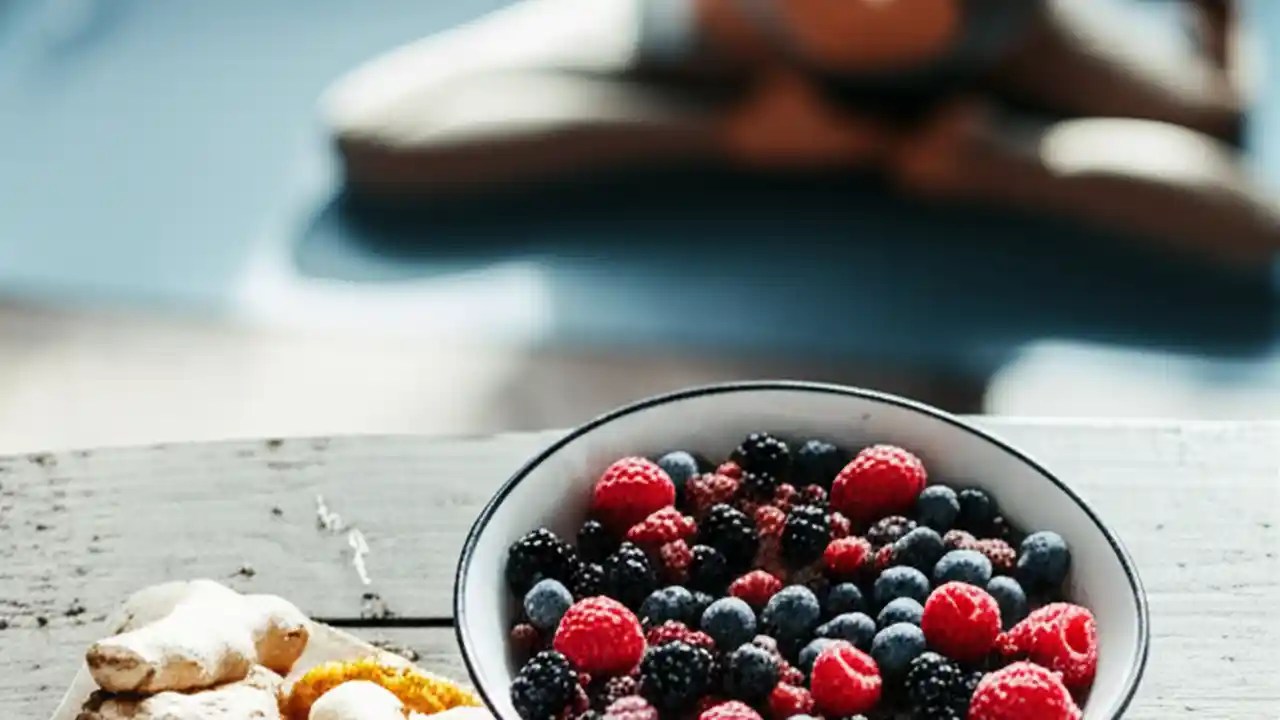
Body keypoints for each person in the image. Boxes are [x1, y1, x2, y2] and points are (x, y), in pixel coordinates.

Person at [321, 0, 1278, 269]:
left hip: (994, 62)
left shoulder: (1018, 34)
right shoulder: (667, 28)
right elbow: (377, 130)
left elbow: (1254, 216)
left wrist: (1013, 164)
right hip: (721, 63)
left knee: (1214, 104)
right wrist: (725, 135)